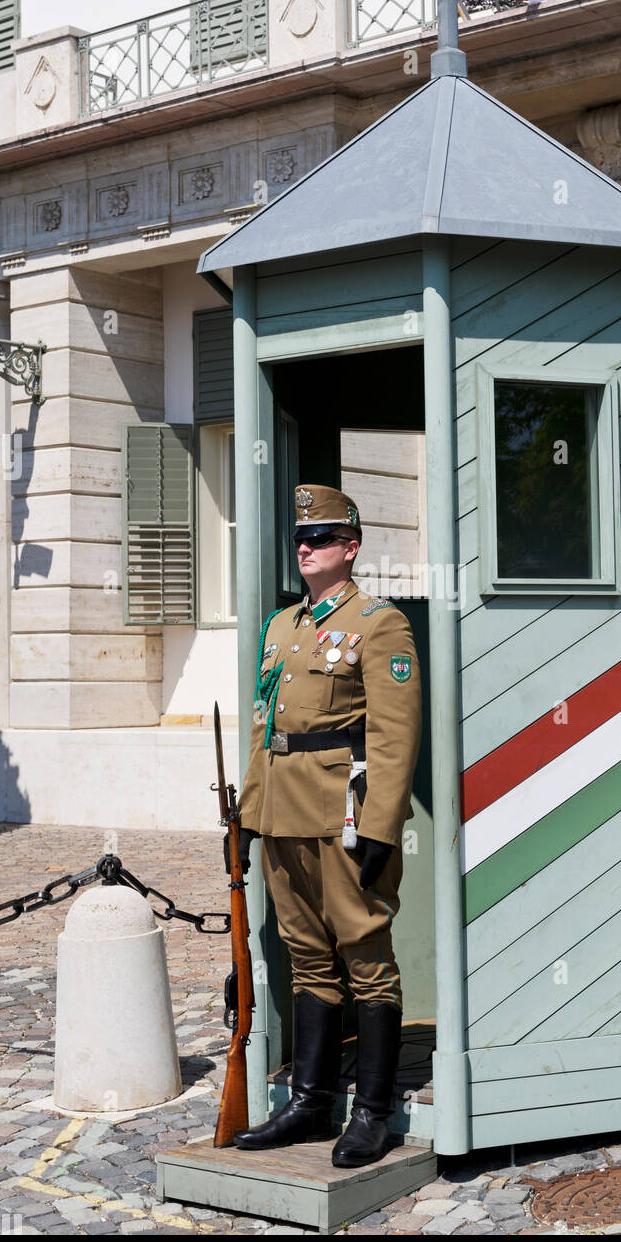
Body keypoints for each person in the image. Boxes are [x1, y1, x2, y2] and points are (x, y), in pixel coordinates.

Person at [231, 483, 422, 1168]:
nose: (306, 549)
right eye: (300, 540)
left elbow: (396, 736)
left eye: (320, 539)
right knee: (305, 954)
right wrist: (249, 814)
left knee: (365, 957)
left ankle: (372, 1112)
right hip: (282, 807)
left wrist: (381, 825)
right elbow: (262, 726)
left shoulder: (379, 623)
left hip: (343, 809)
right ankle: (311, 1102)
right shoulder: (280, 627)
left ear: (351, 547)